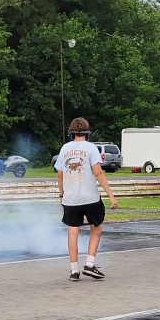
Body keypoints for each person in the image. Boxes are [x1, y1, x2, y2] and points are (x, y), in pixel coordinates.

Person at [54, 117, 118, 281]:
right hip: (90, 198)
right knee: (96, 229)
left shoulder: (64, 148)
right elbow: (98, 172)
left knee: (72, 232)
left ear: (71, 132)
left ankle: (74, 270)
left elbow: (60, 174)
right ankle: (90, 264)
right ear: (87, 133)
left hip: (70, 199)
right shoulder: (91, 148)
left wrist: (61, 194)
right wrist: (111, 195)